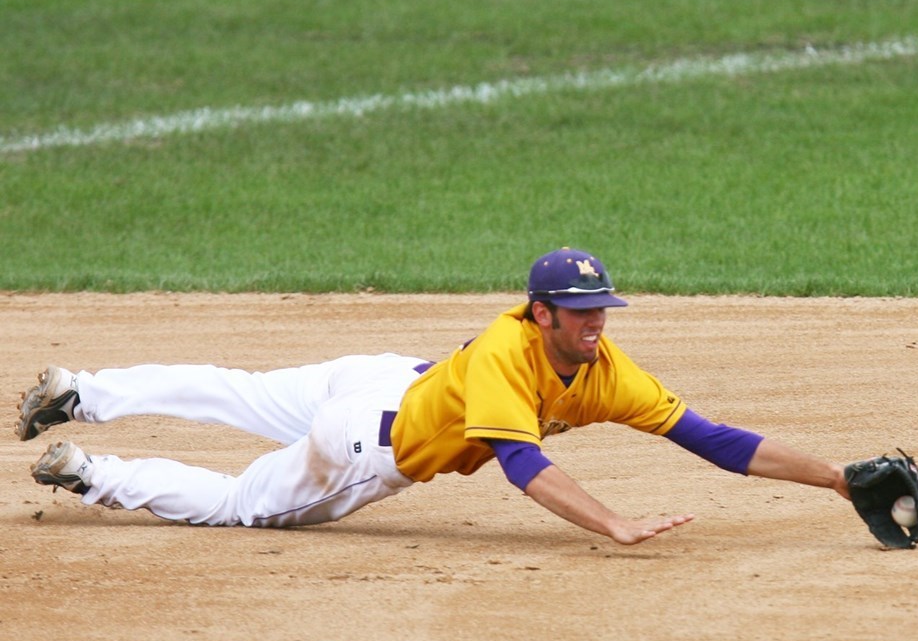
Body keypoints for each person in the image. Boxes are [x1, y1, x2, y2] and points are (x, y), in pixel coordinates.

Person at [18, 247, 850, 545]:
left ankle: (83, 391)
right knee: (239, 502)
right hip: (366, 442)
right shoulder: (504, 354)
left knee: (236, 392)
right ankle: (91, 469)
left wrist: (840, 479)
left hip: (386, 376)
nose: (598, 323)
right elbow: (522, 464)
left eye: (604, 310)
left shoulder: (605, 366)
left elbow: (713, 439)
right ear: (541, 312)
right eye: (582, 312)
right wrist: (614, 522)